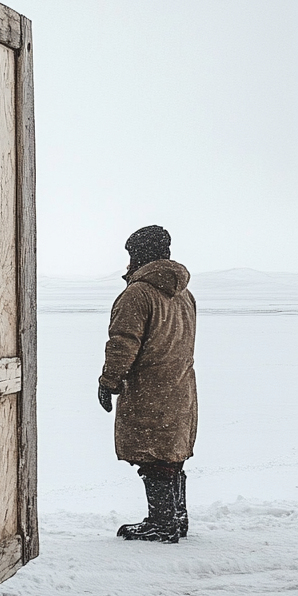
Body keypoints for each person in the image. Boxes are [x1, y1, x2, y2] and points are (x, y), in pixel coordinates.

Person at [98, 225, 197, 543]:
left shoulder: (138, 294)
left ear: (141, 255)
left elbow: (123, 342)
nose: (127, 264)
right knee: (171, 456)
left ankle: (162, 523)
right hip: (179, 389)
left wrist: (109, 381)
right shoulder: (183, 294)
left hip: (150, 390)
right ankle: (175, 518)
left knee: (155, 459)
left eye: (131, 256)